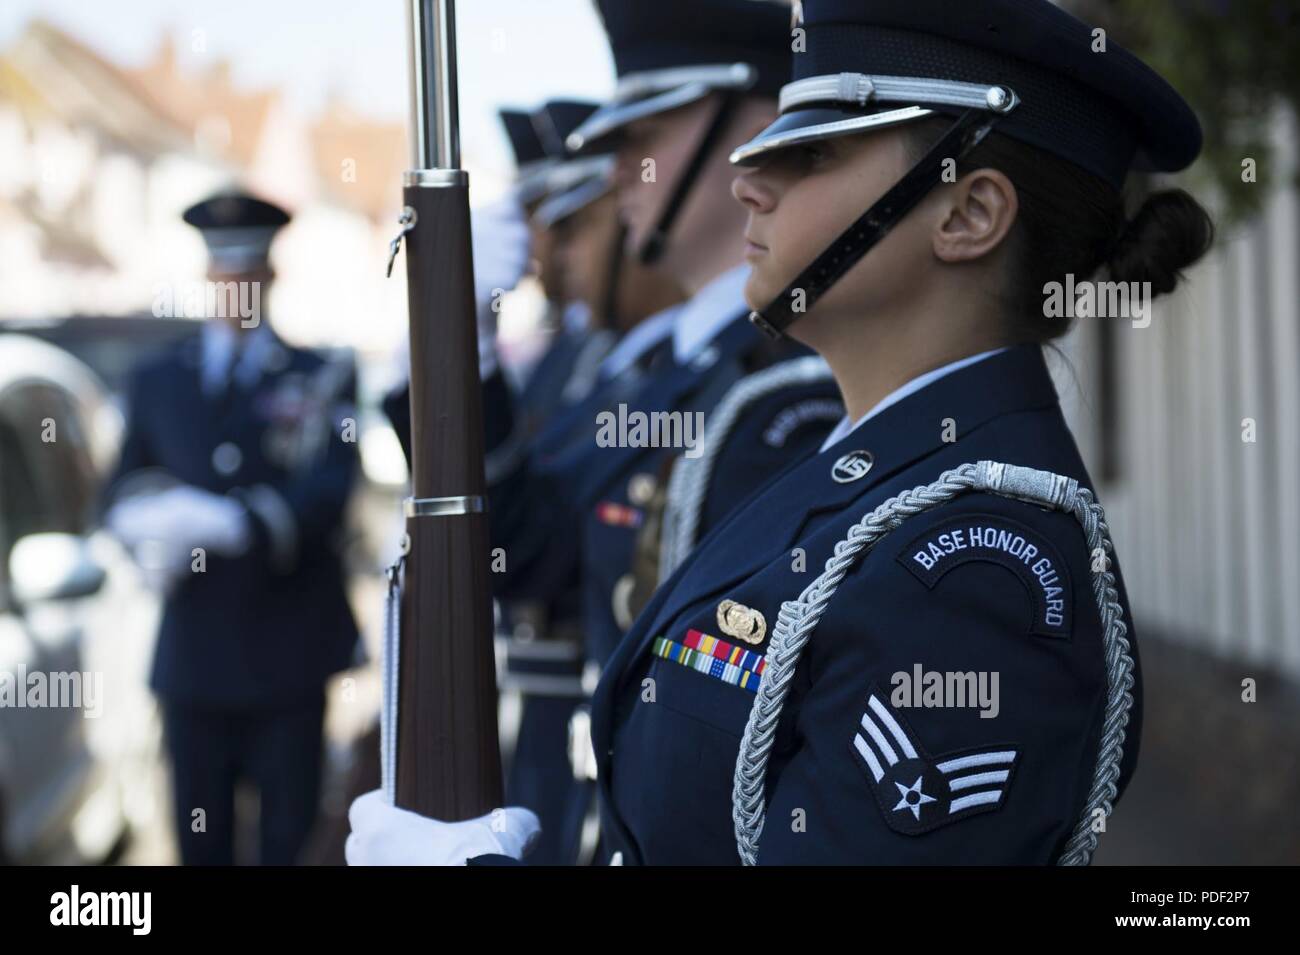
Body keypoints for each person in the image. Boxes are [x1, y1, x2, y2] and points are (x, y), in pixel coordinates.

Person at [347, 0, 1215, 865]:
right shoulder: (860, 477)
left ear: (968, 215)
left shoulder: (977, 570)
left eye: (809, 154)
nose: (747, 182)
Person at [107, 190, 360, 865]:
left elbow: (331, 491)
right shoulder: (160, 378)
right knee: (201, 843)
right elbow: (122, 486)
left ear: (270, 277)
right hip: (194, 663)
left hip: (288, 658)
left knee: (288, 839)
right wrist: (148, 529)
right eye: (225, 275)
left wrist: (238, 521)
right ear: (207, 278)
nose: (236, 290)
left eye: (248, 273)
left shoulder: (322, 375)